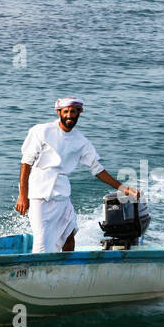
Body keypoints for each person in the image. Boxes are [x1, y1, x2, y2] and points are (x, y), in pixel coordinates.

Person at [15, 97, 141, 253]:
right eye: (66, 111)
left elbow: (97, 169)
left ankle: (67, 271)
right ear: (58, 112)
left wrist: (123, 188)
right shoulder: (41, 131)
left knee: (69, 237)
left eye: (73, 112)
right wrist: (23, 195)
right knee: (42, 244)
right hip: (40, 195)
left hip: (62, 195)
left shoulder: (81, 141)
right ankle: (36, 273)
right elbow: (26, 163)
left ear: (79, 113)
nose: (69, 115)